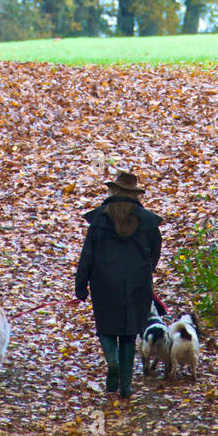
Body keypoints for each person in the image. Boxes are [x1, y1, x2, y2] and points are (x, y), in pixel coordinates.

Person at [74, 170, 163, 399]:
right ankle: (126, 385)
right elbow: (155, 252)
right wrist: (145, 271)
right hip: (137, 283)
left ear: (114, 191)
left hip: (104, 282)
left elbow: (88, 255)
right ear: (134, 194)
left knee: (106, 328)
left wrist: (81, 285)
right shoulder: (148, 221)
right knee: (129, 332)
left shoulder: (100, 219)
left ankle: (112, 362)